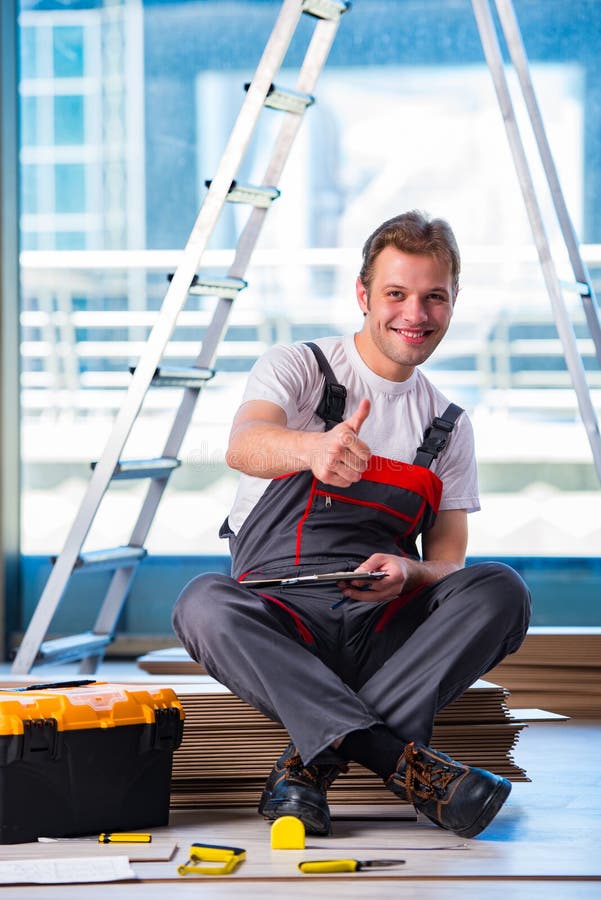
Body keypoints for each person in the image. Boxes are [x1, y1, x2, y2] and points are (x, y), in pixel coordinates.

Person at [173, 210, 531, 839]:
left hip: (380, 627)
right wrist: (310, 450)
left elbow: (449, 562)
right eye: (396, 294)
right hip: (281, 622)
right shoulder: (300, 367)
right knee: (202, 603)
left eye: (433, 297)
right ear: (364, 294)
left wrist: (411, 571)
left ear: (452, 303)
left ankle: (305, 768)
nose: (414, 314)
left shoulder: (448, 424)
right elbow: (245, 444)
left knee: (501, 590)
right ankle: (401, 763)